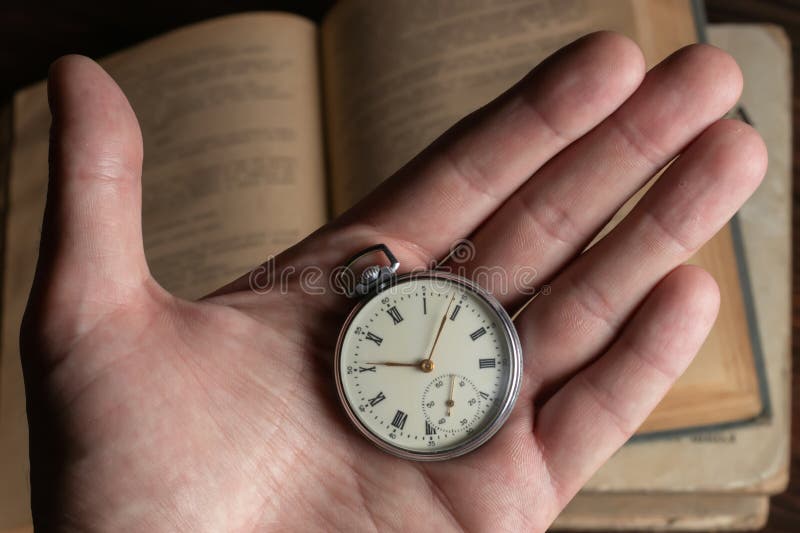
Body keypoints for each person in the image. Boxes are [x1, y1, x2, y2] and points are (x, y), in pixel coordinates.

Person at [20, 31, 765, 531]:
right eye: (414, 356)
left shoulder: (442, 321)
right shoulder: (382, 339)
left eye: (430, 350)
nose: (430, 361)